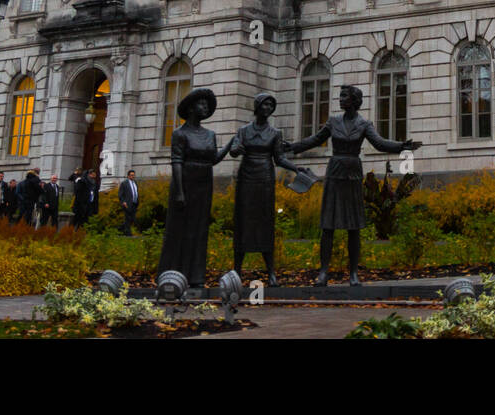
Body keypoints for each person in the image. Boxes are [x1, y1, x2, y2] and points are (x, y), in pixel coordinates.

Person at [285, 84, 420, 285]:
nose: (340, 99)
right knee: (328, 226)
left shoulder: (364, 124)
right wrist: (292, 147)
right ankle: (323, 272)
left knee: (353, 227)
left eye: (344, 96)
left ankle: (354, 273)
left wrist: (402, 146)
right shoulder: (333, 122)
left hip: (353, 175)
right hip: (335, 173)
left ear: (354, 100)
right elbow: (314, 140)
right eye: (340, 96)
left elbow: (380, 143)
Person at [156, 88, 231, 287]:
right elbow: (177, 162)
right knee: (178, 230)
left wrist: (230, 145)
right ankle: (172, 274)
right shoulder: (180, 134)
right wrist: (179, 191)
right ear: (190, 108)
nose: (205, 107)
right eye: (201, 104)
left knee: (199, 230)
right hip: (185, 183)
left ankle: (196, 276)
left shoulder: (210, 135)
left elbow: (214, 159)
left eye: (207, 105)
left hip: (204, 185)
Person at [229, 93, 306, 285]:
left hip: (264, 179)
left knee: (265, 223)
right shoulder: (243, 131)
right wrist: (236, 149)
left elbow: (279, 158)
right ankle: (237, 269)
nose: (268, 108)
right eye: (265, 104)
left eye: (271, 105)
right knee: (243, 222)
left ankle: (270, 271)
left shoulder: (275, 133)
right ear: (257, 107)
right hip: (246, 178)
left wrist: (297, 168)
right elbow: (233, 149)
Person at [118, 170, 140, 236]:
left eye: (134, 175)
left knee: (132, 218)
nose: (133, 176)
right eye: (131, 175)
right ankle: (128, 234)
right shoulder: (124, 183)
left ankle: (120, 229)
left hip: (134, 203)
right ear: (128, 176)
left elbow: (135, 192)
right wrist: (123, 202)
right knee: (128, 218)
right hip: (127, 203)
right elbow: (120, 194)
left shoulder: (135, 183)